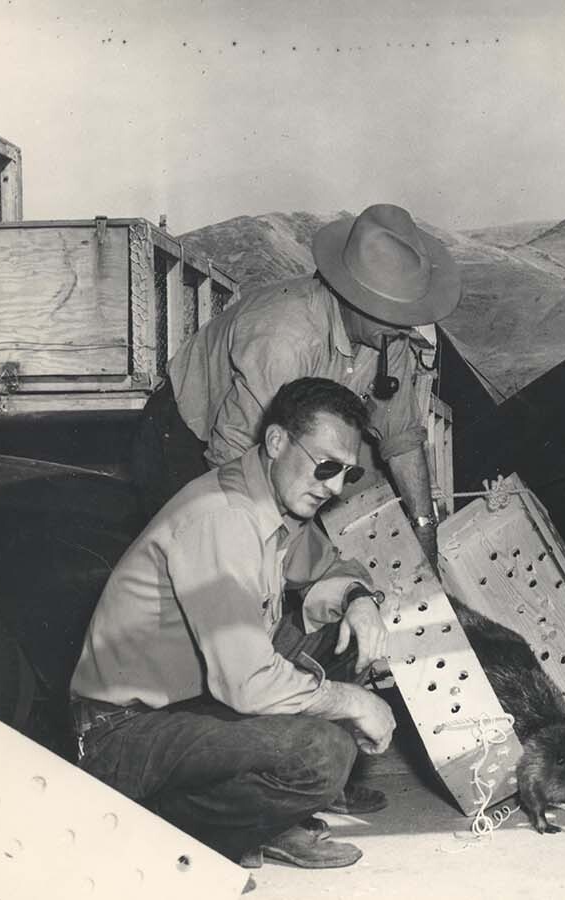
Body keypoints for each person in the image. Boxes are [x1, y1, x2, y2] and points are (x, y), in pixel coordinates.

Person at [71, 377, 398, 870]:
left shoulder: (273, 501)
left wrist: (359, 600)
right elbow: (247, 685)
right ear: (276, 441)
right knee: (323, 754)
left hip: (194, 703)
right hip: (120, 735)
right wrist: (354, 702)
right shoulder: (222, 518)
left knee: (345, 633)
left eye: (347, 474)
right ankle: (156, 822)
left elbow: (331, 566)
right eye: (326, 466)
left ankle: (262, 815)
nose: (334, 488)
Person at [131, 202, 459, 567]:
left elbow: (401, 439)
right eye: (396, 315)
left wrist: (425, 532)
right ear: (356, 298)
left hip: (271, 450)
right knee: (203, 562)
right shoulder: (286, 337)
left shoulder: (389, 335)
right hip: (186, 439)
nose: (406, 328)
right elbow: (233, 459)